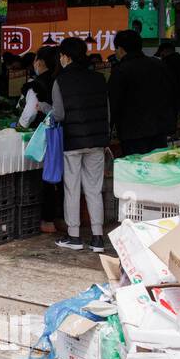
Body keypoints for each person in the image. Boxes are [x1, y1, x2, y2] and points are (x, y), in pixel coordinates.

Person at [51, 36, 110, 253]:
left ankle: (74, 236)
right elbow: (107, 111)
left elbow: (58, 114)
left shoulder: (60, 81)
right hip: (96, 141)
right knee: (94, 189)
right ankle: (97, 238)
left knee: (72, 188)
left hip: (72, 142)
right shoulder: (99, 78)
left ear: (65, 56)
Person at [108, 29, 176, 155]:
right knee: (158, 166)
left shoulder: (120, 70)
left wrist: (110, 128)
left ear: (121, 49)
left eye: (116, 49)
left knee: (137, 170)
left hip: (132, 132)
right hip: (159, 128)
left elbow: (114, 102)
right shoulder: (159, 65)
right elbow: (172, 94)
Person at [20, 46, 61, 234]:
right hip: (59, 134)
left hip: (41, 136)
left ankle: (46, 220)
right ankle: (59, 218)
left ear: (40, 62)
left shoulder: (35, 85)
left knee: (45, 178)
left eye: (36, 59)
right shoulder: (59, 80)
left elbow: (29, 113)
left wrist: (19, 126)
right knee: (58, 177)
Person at [155, 42, 180, 115]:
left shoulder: (166, 64)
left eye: (161, 54)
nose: (161, 56)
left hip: (171, 104)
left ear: (164, 51)